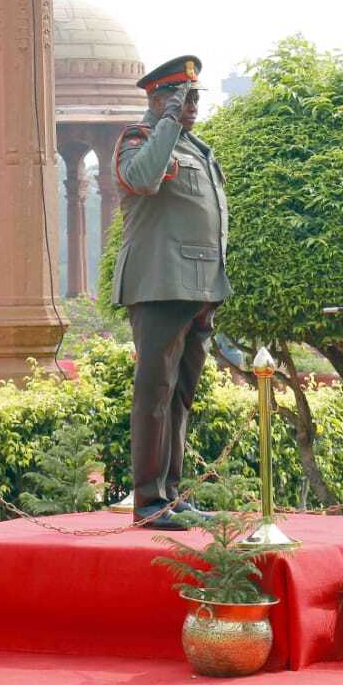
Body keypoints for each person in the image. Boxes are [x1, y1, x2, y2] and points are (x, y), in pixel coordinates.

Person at [111, 55, 228, 530]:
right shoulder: (141, 139)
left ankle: (171, 495)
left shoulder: (192, 146)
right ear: (158, 99)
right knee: (154, 394)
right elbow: (140, 179)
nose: (192, 106)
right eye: (182, 97)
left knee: (180, 396)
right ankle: (148, 503)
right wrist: (165, 121)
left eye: (195, 97)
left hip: (198, 288)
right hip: (159, 285)